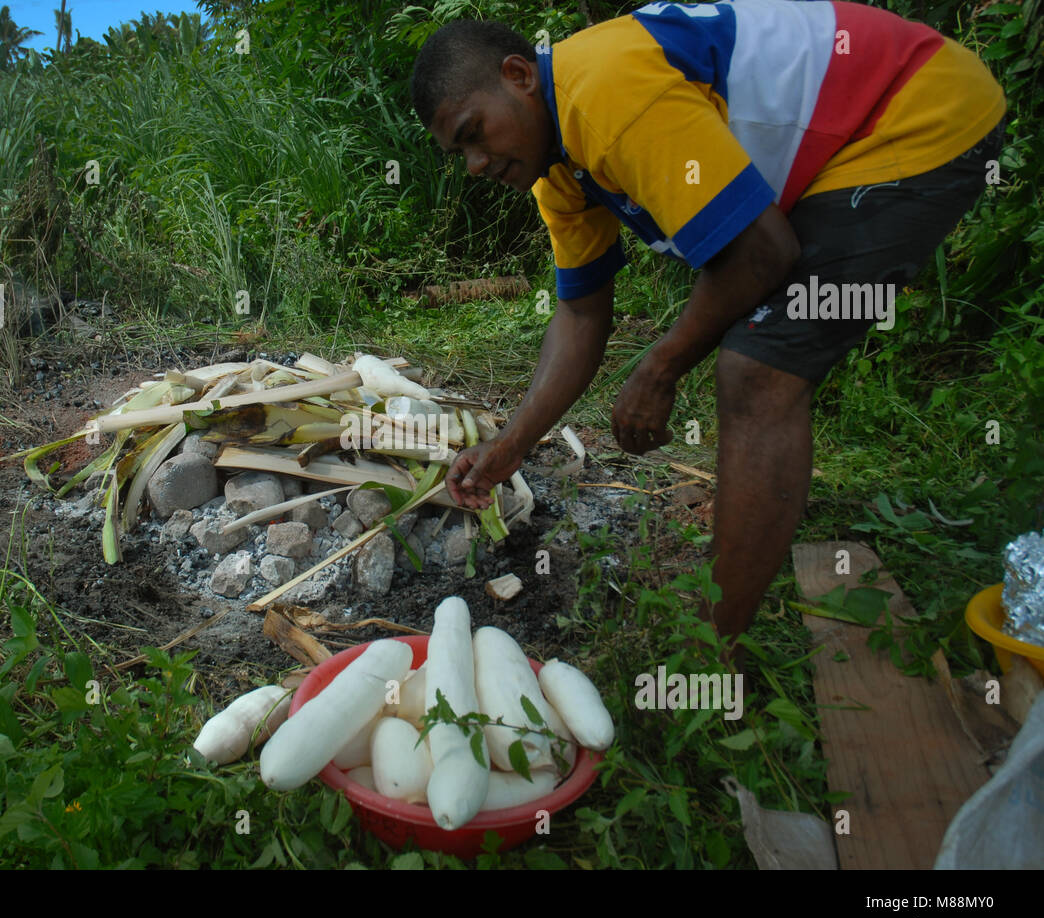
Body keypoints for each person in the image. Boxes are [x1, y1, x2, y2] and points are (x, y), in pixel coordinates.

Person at [411, 0, 1005, 663]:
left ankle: (709, 655)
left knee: (758, 371)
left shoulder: (605, 92)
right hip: (850, 141)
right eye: (457, 151)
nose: (474, 164)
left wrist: (660, 368)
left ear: (519, 74)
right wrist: (510, 445)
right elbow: (581, 314)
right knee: (760, 354)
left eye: (474, 132)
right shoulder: (560, 169)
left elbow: (760, 252)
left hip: (915, 108)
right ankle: (722, 620)